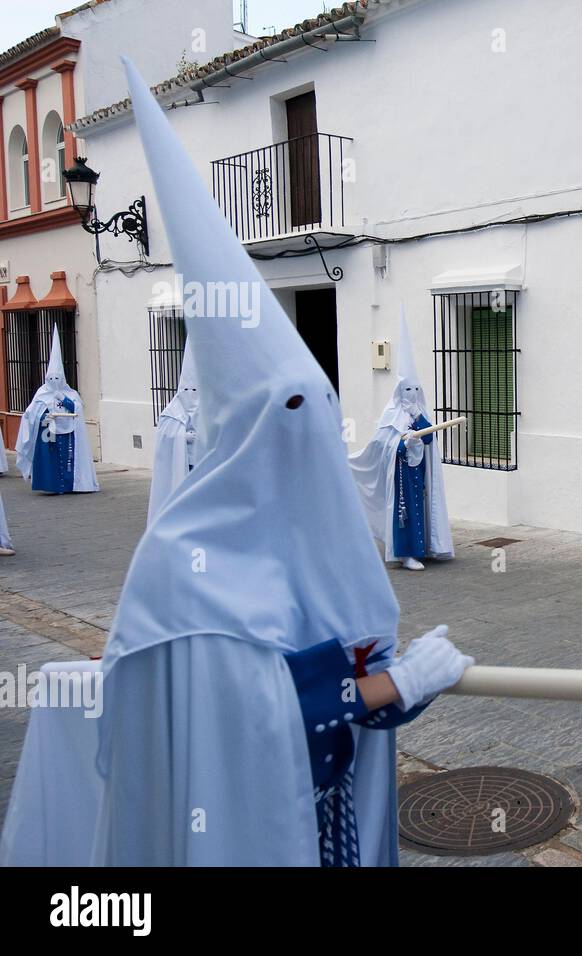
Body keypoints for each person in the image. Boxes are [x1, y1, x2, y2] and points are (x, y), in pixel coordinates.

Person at [92, 59, 473, 866]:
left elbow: (341, 677)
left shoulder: (309, 534)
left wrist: (392, 686)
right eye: (290, 415)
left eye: (319, 412)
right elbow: (259, 727)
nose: (309, 437)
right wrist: (390, 689)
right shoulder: (178, 568)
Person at [349, 308, 454, 570]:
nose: (412, 393)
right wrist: (402, 444)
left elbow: (429, 440)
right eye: (407, 389)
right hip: (399, 474)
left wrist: (419, 426)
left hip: (418, 472)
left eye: (416, 389)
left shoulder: (420, 412)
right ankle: (405, 553)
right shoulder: (391, 415)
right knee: (403, 512)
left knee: (420, 508)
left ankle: (424, 547)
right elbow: (382, 445)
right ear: (399, 391)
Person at [14, 329, 99, 494]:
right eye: (51, 378)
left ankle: (70, 485)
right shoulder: (42, 393)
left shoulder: (70, 393)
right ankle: (52, 486)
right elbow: (31, 413)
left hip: (68, 433)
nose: (54, 381)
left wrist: (63, 399)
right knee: (50, 460)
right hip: (48, 431)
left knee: (68, 460)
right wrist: (45, 415)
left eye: (57, 378)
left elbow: (77, 409)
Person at [146, 342, 199, 525]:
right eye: (187, 390)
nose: (190, 394)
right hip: (182, 467)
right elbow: (165, 438)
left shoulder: (210, 408)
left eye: (195, 391)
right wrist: (183, 437)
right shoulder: (171, 413)